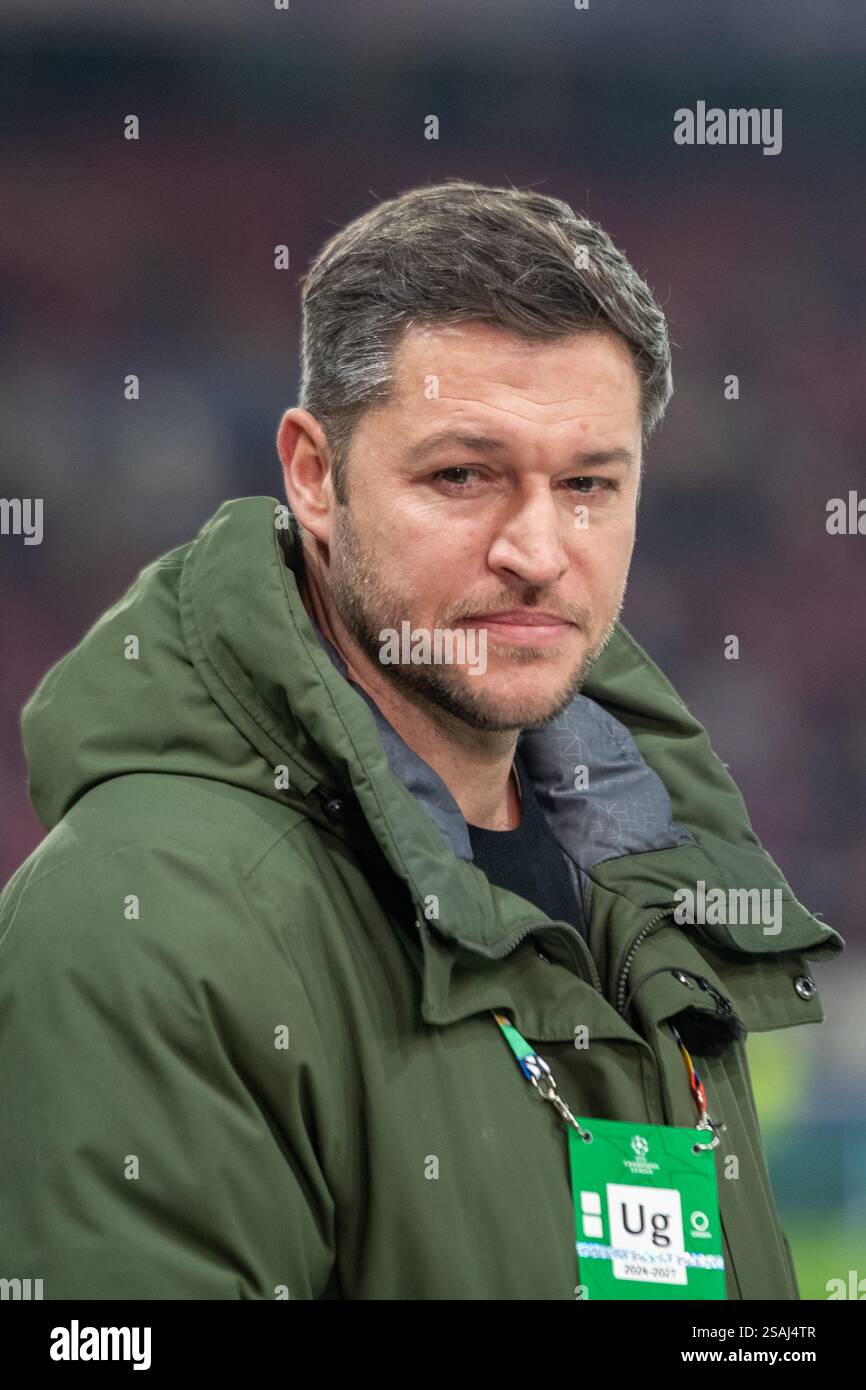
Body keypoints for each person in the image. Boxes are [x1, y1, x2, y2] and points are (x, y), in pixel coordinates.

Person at [0, 179, 842, 1300]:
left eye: (588, 484)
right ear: (313, 476)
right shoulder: (142, 914)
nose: (537, 549)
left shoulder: (653, 890)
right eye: (462, 476)